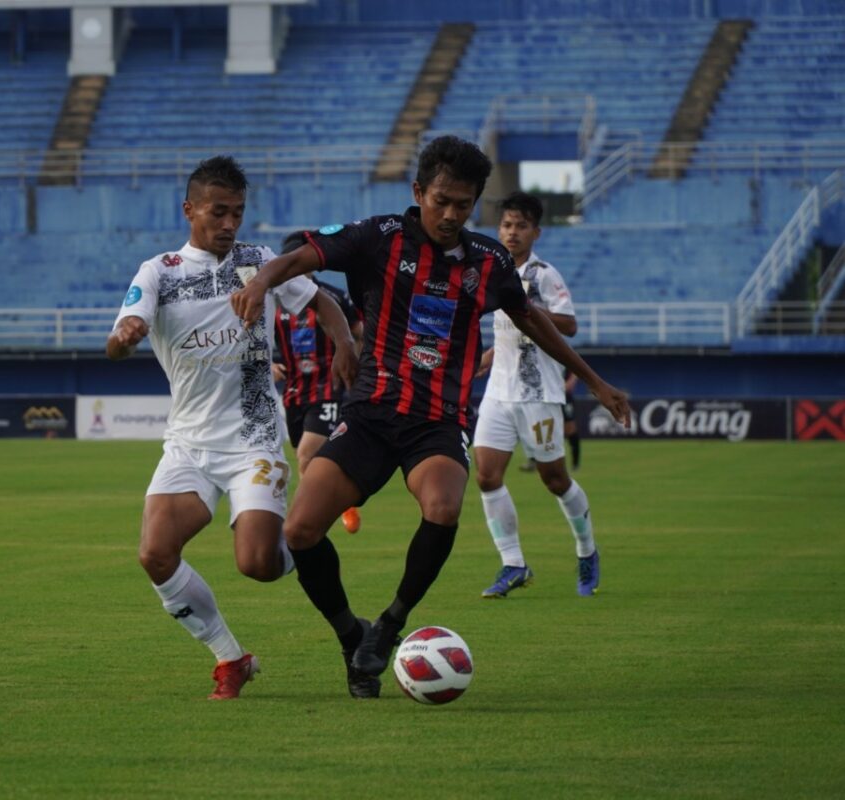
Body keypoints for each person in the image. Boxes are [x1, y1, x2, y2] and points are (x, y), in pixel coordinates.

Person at [230, 136, 630, 698]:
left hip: (437, 420)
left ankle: (391, 624)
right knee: (298, 530)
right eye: (441, 200)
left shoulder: (487, 262)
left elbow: (534, 320)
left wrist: (594, 381)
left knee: (443, 507)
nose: (449, 214)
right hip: (371, 413)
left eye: (462, 204)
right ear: (418, 192)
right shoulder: (378, 237)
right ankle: (353, 638)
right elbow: (303, 256)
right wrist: (263, 281)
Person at [106, 156, 358, 700]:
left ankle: (303, 536)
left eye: (237, 213)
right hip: (189, 444)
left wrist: (345, 342)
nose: (229, 224)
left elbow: (322, 301)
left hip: (254, 439)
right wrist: (125, 335)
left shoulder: (258, 262)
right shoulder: (160, 272)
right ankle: (231, 658)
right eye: (218, 212)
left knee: (258, 565)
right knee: (154, 553)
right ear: (189, 210)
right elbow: (124, 331)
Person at [473, 191, 599, 599]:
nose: (512, 232)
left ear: (535, 232)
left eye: (520, 226)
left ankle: (586, 549)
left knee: (555, 480)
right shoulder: (494, 269)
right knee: (487, 475)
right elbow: (508, 328)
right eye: (506, 225)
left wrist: (528, 308)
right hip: (498, 392)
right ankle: (513, 564)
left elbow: (570, 325)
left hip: (538, 393)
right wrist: (491, 355)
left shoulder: (544, 274)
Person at [272, 232, 366, 534]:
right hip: (295, 389)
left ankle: (307, 520)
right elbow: (257, 338)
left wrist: (357, 361)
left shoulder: (331, 297)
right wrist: (271, 363)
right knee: (308, 453)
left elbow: (357, 332)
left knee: (307, 453)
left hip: (330, 385)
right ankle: (342, 497)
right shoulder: (272, 300)